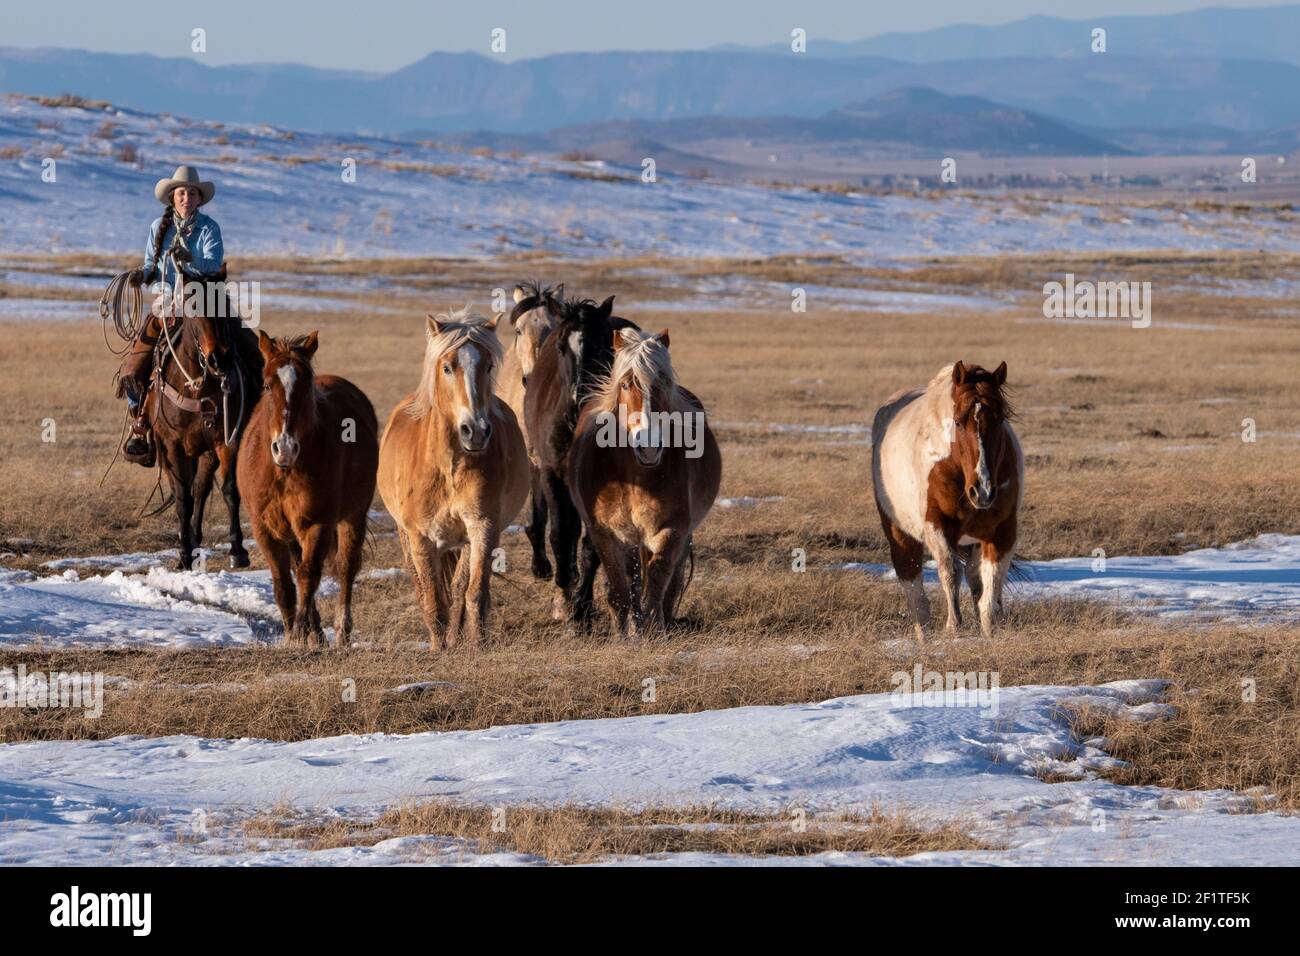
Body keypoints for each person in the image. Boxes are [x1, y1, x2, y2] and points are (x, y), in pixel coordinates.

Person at [115, 165, 240, 465]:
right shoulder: (158, 226)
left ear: (199, 198)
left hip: (203, 301)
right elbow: (150, 265)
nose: (187, 198)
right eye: (182, 193)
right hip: (168, 306)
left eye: (192, 193)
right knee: (133, 368)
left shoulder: (210, 228)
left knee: (243, 343)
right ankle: (141, 422)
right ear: (173, 198)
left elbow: (214, 265)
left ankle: (256, 407)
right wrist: (140, 276)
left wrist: (191, 259)